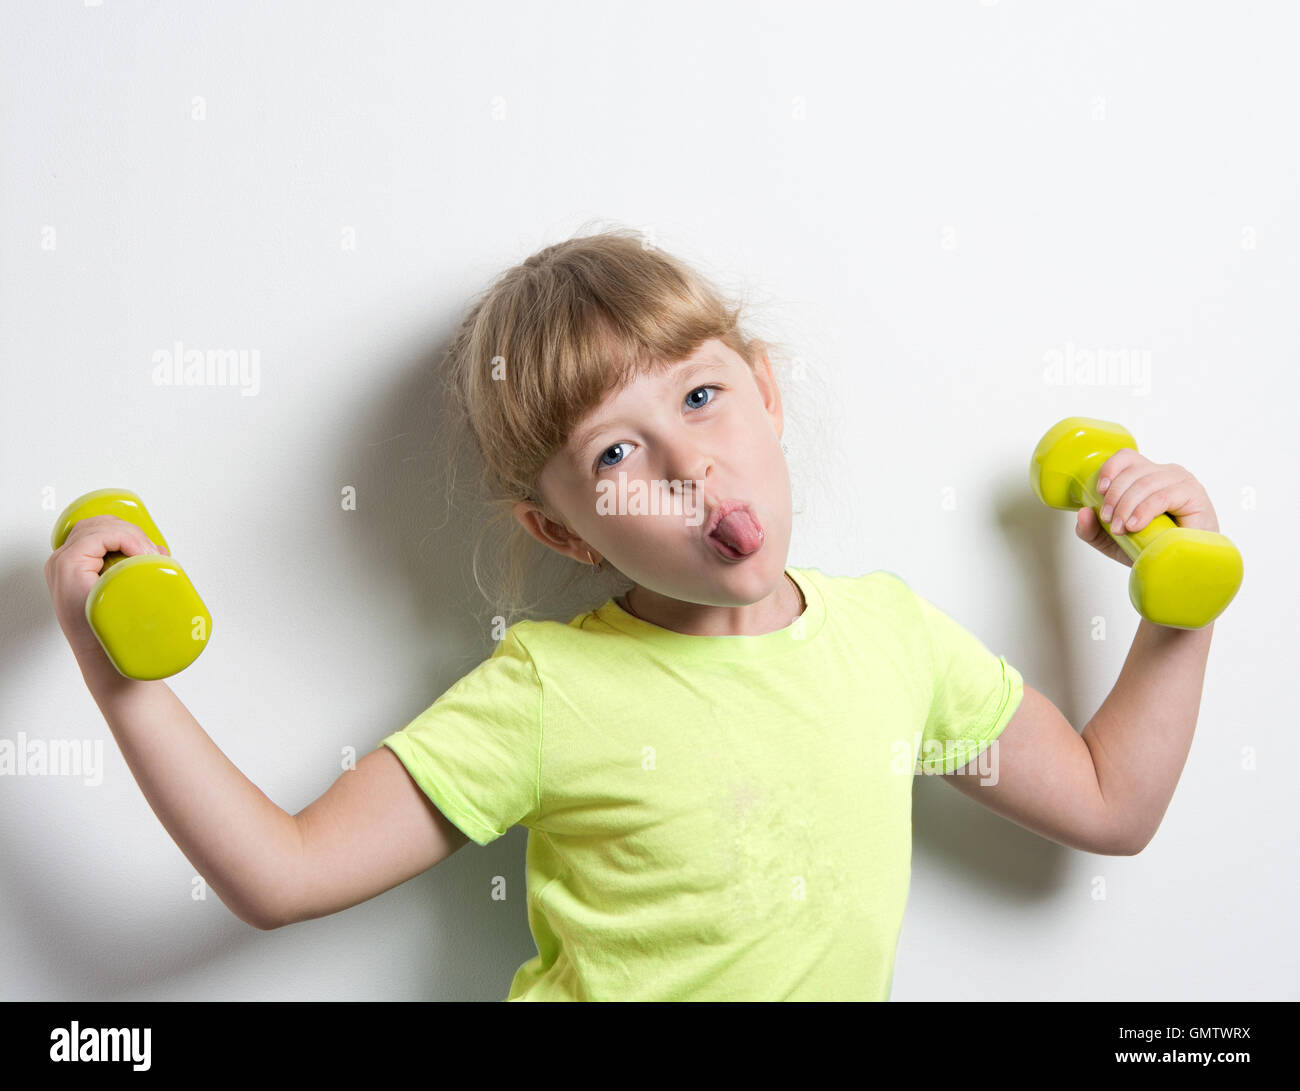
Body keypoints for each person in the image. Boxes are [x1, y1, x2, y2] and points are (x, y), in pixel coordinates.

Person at [44, 225, 1221, 1001]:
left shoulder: (892, 641)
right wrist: (120, 676)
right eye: (618, 452)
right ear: (560, 530)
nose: (691, 470)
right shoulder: (548, 691)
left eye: (702, 397)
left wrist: (1181, 593)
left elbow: (1112, 804)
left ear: (762, 386)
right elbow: (282, 875)